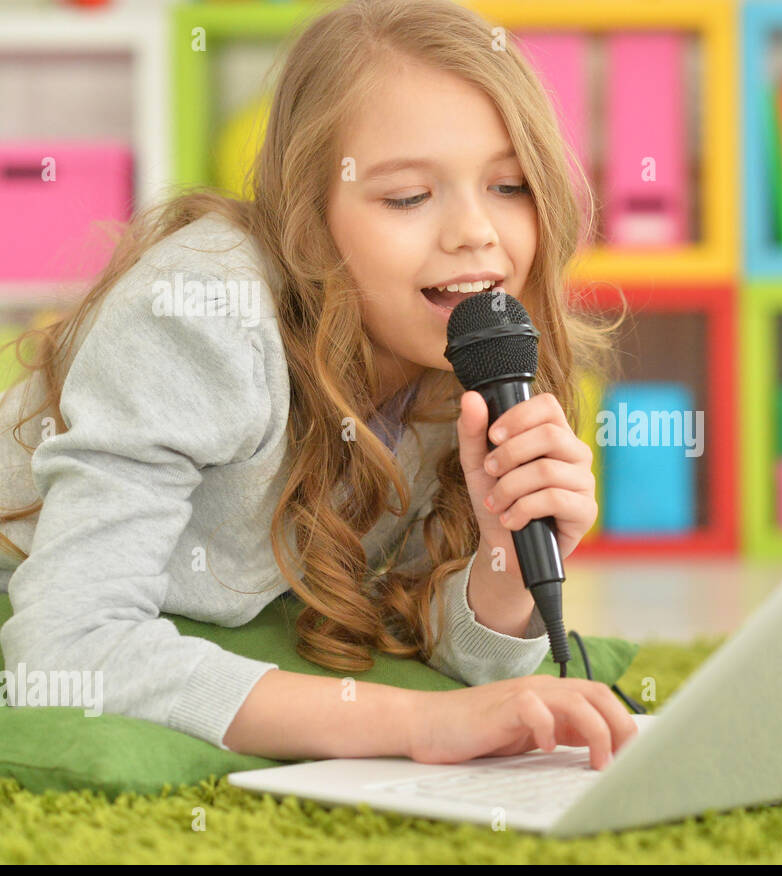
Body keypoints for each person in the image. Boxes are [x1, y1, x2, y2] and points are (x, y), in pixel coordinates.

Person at [0, 0, 636, 769]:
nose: (478, 233)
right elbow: (67, 650)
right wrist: (422, 725)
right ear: (308, 219)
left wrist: (504, 557)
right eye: (408, 196)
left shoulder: (457, 351)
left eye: (510, 187)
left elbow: (444, 649)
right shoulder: (201, 318)